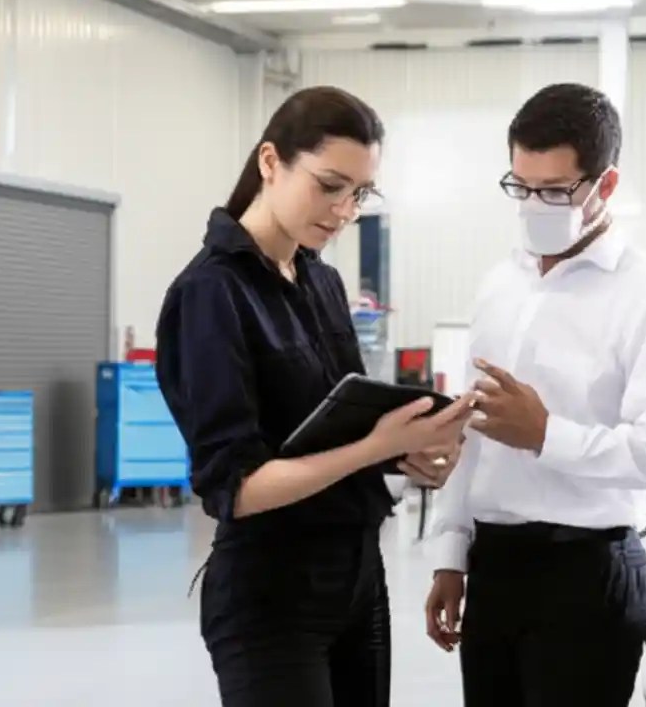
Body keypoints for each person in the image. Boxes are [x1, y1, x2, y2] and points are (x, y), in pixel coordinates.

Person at [155, 85, 472, 707]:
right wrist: (375, 447)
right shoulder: (210, 295)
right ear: (270, 162)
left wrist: (411, 455)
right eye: (329, 186)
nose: (344, 210)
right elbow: (236, 488)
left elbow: (342, 430)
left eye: (360, 193)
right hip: (269, 593)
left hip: (357, 578)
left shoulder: (321, 280)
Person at [423, 83, 646, 706]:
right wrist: (452, 551)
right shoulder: (499, 284)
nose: (534, 205)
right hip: (497, 568)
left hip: (587, 572)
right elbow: (473, 428)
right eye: (521, 186)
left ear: (605, 186)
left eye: (555, 190)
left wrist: (545, 434)